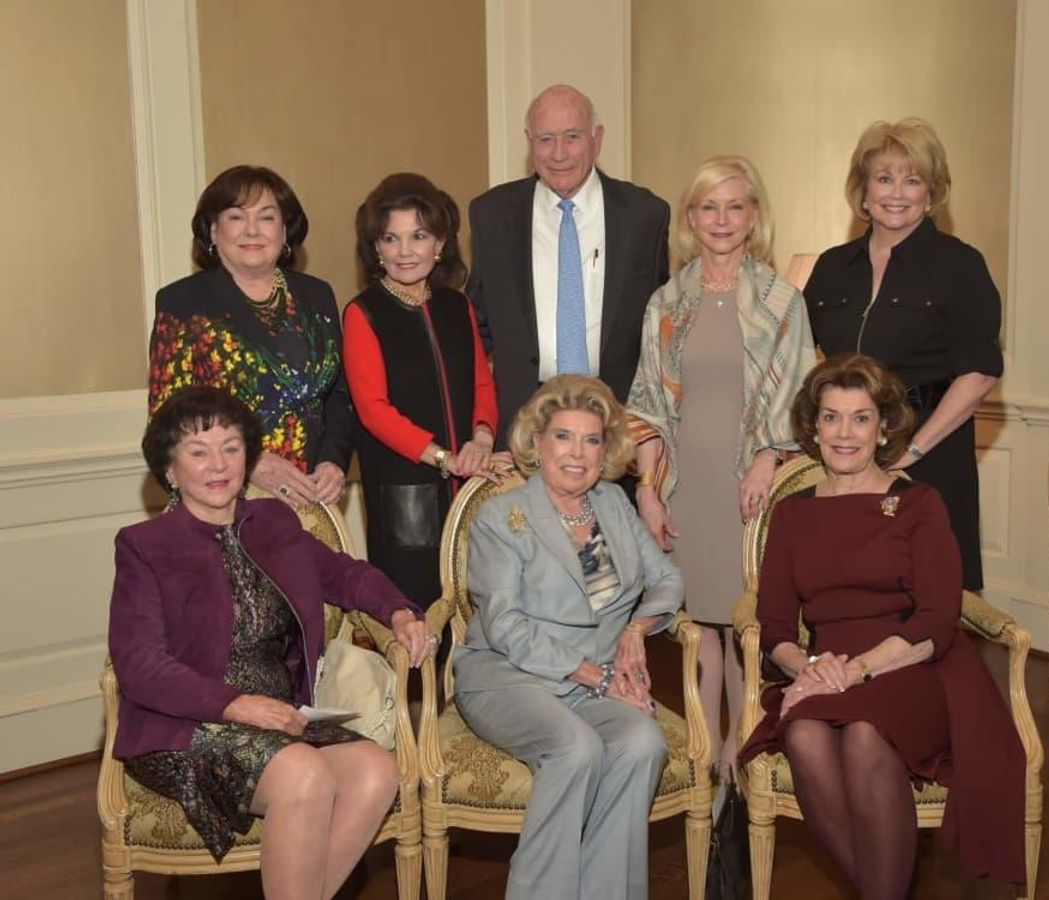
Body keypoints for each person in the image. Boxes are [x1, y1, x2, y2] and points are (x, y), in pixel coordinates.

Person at [108, 385, 435, 899]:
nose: (218, 464)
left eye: (231, 448)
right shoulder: (144, 547)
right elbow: (139, 663)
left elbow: (345, 575)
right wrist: (237, 705)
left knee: (376, 770)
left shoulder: (274, 523)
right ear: (170, 470)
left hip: (282, 719)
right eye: (198, 451)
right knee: (303, 774)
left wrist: (398, 610)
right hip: (188, 726)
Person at [739, 354, 1025, 897]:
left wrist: (859, 671)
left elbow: (938, 619)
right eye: (831, 417)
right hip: (827, 667)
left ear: (884, 427)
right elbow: (774, 625)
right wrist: (811, 669)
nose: (844, 433)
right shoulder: (793, 514)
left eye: (860, 418)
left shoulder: (919, 504)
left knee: (867, 738)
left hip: (914, 664)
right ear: (813, 426)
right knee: (802, 733)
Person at [453, 375, 684, 900]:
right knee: (575, 748)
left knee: (642, 743)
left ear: (607, 452)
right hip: (508, 674)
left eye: (591, 440)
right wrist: (600, 678)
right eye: (563, 437)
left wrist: (635, 630)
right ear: (536, 443)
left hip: (592, 676)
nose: (576, 453)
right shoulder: (501, 517)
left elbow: (668, 580)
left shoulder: (614, 508)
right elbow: (506, 626)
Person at [624, 155, 817, 780]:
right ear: (691, 218)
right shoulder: (666, 302)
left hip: (750, 486)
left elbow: (795, 395)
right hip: (687, 485)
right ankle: (705, 750)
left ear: (754, 216)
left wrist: (766, 462)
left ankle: (744, 747)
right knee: (698, 624)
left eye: (736, 206)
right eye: (709, 207)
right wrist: (649, 494)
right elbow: (648, 405)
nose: (722, 219)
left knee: (746, 623)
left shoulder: (782, 301)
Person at [803, 118, 1003, 590]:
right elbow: (792, 356)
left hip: (929, 455)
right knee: (844, 590)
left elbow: (978, 374)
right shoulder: (832, 267)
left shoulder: (961, 265)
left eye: (912, 180)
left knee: (926, 598)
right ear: (863, 189)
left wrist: (910, 451)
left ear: (931, 193)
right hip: (846, 457)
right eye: (885, 178)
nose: (897, 192)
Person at [466, 84, 671, 445]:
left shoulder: (644, 216)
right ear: (529, 142)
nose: (558, 153)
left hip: (617, 426)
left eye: (572, 137)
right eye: (546, 139)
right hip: (521, 426)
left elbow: (661, 330)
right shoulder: (492, 215)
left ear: (597, 139)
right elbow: (476, 329)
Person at [148, 165, 353, 509]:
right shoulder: (182, 302)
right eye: (236, 217)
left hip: (313, 499)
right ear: (213, 230)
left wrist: (334, 462)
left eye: (267, 217)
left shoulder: (317, 295)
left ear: (285, 229)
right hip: (224, 500)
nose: (252, 230)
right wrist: (250, 463)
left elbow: (340, 395)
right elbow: (167, 421)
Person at [343, 173, 501, 606]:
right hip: (405, 498)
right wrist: (443, 458)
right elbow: (372, 409)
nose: (405, 251)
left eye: (418, 235)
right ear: (376, 248)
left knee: (481, 612)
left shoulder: (457, 305)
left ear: (440, 242)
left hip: (471, 489)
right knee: (417, 622)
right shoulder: (364, 313)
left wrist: (482, 438)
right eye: (391, 239)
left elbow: (482, 381)